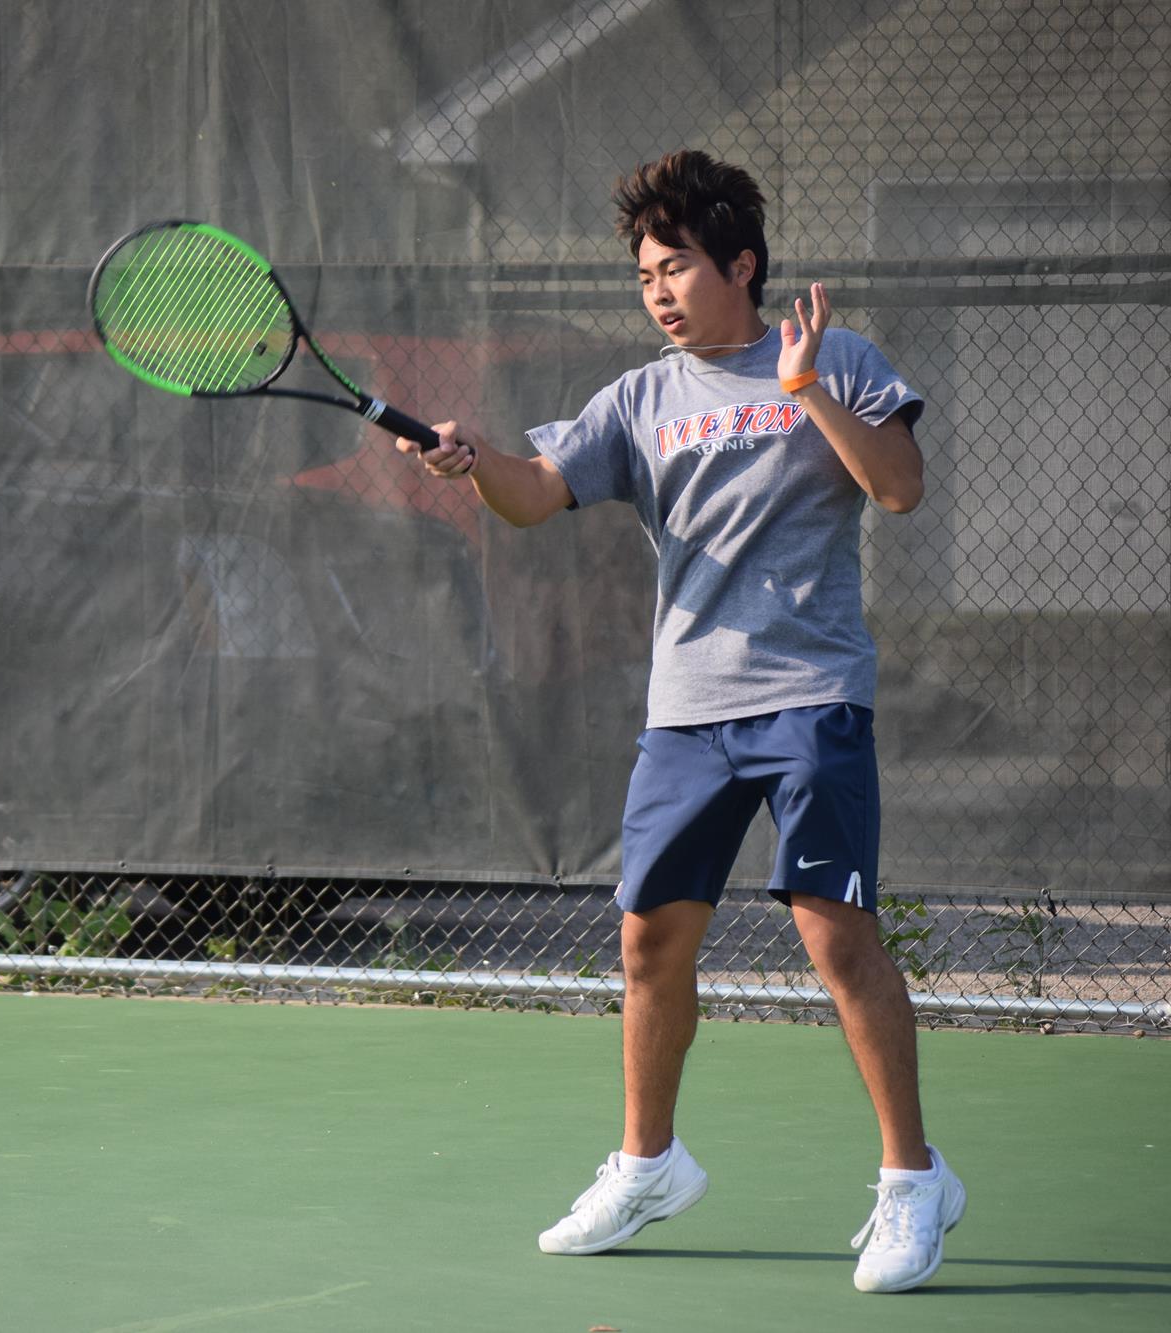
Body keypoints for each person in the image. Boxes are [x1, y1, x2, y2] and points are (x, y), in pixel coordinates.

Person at [397, 149, 963, 1295]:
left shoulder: (835, 357)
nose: (656, 292)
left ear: (739, 266)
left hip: (809, 698)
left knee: (835, 940)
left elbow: (898, 488)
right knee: (647, 942)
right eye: (644, 275)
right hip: (686, 712)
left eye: (677, 268)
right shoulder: (637, 398)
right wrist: (470, 463)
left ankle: (913, 1180)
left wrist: (806, 389)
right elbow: (532, 495)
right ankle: (648, 1165)